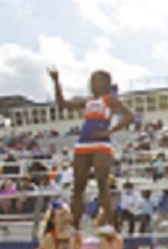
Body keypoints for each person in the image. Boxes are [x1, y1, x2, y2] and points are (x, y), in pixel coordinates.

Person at [48, 67, 134, 228]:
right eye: (92, 80)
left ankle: (111, 225)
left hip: (101, 143)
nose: (93, 83)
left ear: (105, 83)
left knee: (103, 184)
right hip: (83, 143)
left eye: (96, 80)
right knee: (78, 186)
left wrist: (109, 131)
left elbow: (130, 116)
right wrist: (56, 81)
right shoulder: (87, 101)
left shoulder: (110, 99)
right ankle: (75, 225)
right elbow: (62, 103)